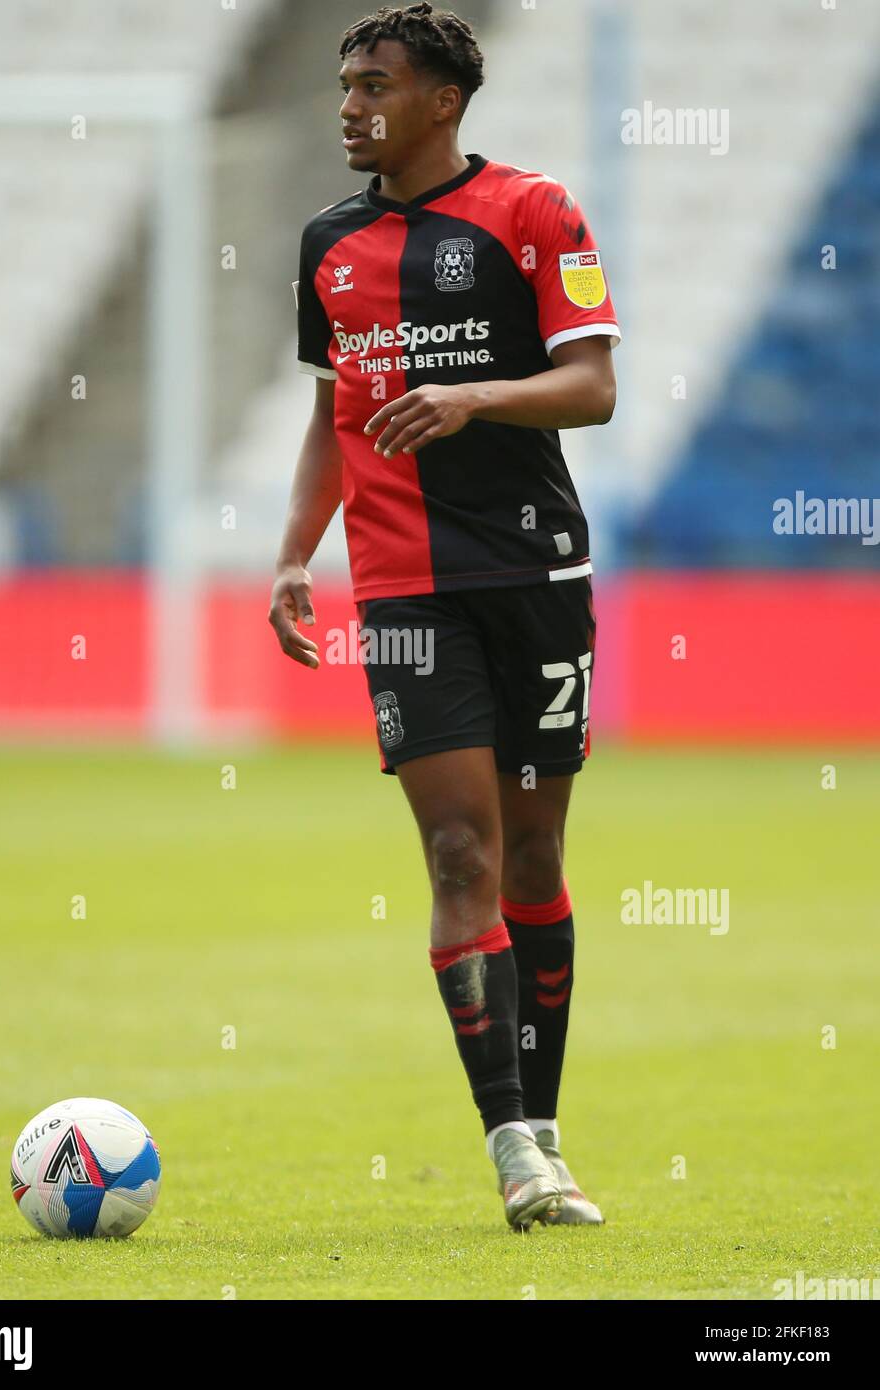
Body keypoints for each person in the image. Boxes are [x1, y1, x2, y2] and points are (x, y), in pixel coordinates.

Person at [269, 2, 620, 1230]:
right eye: (345, 83)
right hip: (408, 589)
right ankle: (515, 1148)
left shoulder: (537, 212)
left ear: (443, 102)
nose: (353, 104)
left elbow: (595, 388)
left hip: (536, 579)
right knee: (460, 854)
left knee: (533, 857)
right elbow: (334, 415)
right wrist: (293, 555)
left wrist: (473, 398)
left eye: (376, 83)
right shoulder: (327, 244)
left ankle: (551, 1126)